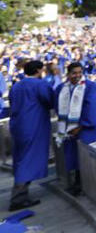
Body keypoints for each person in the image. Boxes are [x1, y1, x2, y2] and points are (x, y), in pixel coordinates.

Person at [9, 60, 54, 210]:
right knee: (27, 160)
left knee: (21, 158)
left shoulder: (16, 86)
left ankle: (21, 194)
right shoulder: (40, 85)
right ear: (38, 71)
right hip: (33, 126)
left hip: (18, 126)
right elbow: (50, 100)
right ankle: (18, 198)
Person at [55, 62, 96, 195]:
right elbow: (58, 107)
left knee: (84, 157)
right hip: (69, 129)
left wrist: (80, 126)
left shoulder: (90, 86)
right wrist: (68, 125)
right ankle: (77, 183)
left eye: (80, 72)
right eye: (74, 73)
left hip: (85, 128)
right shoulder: (61, 88)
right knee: (73, 157)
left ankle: (85, 185)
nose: (77, 75)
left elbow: (91, 107)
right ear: (68, 74)